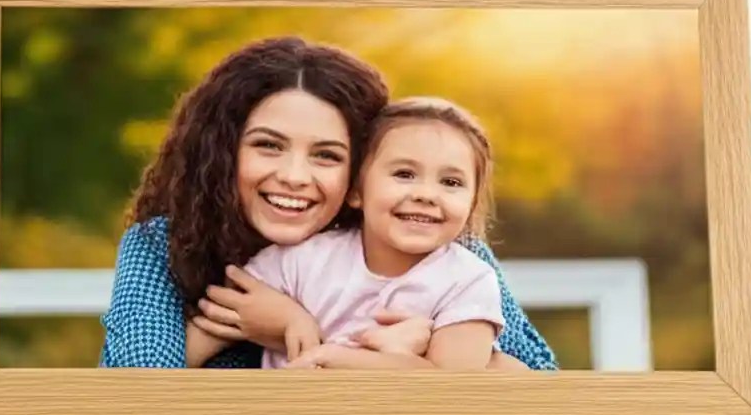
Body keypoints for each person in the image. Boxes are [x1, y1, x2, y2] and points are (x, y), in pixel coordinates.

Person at [99, 37, 558, 370]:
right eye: (268, 146)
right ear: (223, 151)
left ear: (360, 173)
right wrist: (282, 322)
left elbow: (537, 383)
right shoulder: (164, 244)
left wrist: (424, 347)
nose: (296, 177)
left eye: (326, 155)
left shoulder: (428, 247)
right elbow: (136, 385)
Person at [192, 97, 513, 370]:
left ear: (472, 203)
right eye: (404, 174)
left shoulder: (468, 280)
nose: (426, 194)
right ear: (356, 190)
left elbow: (456, 390)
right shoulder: (299, 260)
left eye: (451, 183)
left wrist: (336, 357)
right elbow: (201, 336)